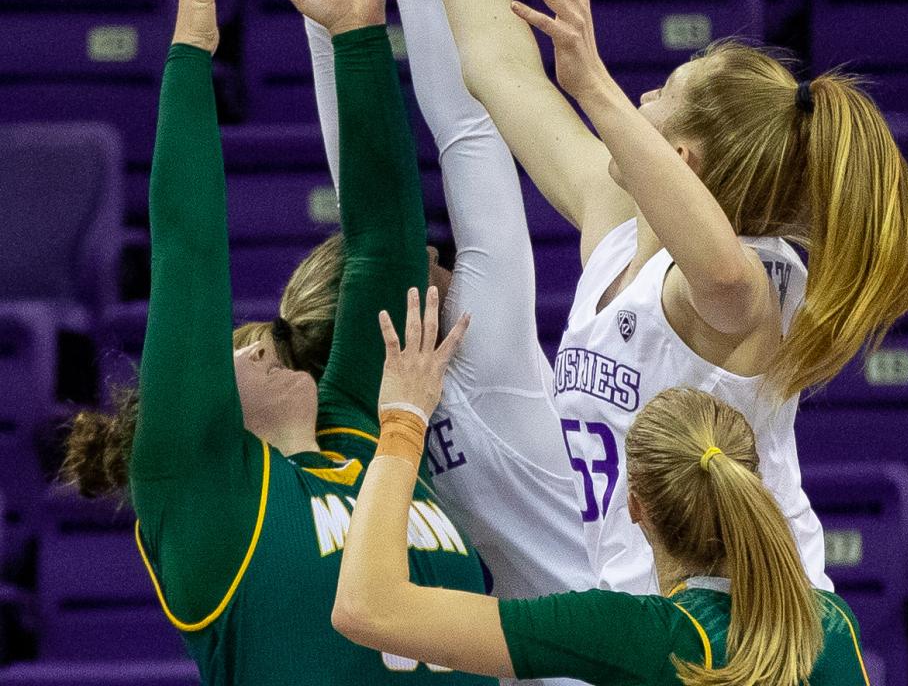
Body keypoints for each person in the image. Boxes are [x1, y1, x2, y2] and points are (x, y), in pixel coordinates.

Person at [364, 0, 908, 593]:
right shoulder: (616, 230)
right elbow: (501, 71)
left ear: (677, 159)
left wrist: (594, 87)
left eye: (659, 93)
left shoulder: (749, 283)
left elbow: (722, 274)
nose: (637, 97)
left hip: (760, 624)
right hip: (652, 613)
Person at [61, 0, 491, 686]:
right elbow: (188, 256)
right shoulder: (203, 492)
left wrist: (358, 34)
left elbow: (386, 243)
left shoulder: (361, 430)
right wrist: (190, 57)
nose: (258, 346)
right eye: (237, 351)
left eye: (262, 343)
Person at [259, 0, 593, 618]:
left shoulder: (364, 423)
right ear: (411, 294)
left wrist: (329, 18)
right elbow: (468, 131)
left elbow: (369, 209)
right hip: (628, 652)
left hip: (518, 660)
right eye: (421, 255)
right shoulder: (480, 357)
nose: (430, 244)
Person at [330, 287, 871, 686]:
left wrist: (403, 420)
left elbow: (367, 607)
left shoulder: (631, 633)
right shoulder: (832, 623)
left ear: (635, 507)